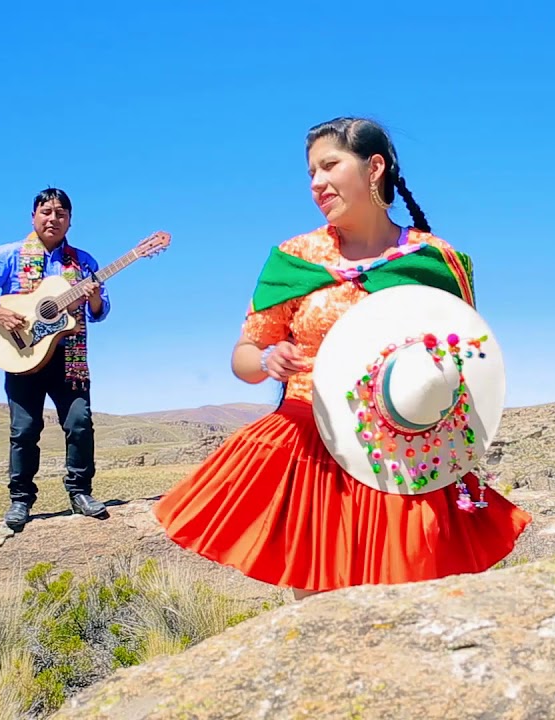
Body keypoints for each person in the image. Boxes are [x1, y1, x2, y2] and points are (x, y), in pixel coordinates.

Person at [152, 117, 531, 600]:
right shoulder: (297, 258)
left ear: (374, 168)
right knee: (319, 612)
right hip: (310, 445)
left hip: (405, 455)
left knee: (411, 601)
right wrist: (268, 358)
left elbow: (465, 361)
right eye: (310, 172)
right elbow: (243, 357)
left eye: (329, 166)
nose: (316, 183)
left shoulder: (437, 261)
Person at [0, 187, 111, 530]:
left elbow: (100, 312)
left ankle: (80, 492)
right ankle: (21, 500)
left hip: (68, 356)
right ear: (33, 217)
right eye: (46, 212)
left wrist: (96, 296)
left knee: (79, 423)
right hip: (22, 352)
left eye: (61, 213)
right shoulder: (9, 254)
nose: (53, 219)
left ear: (70, 221)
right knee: (25, 429)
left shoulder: (85, 263)